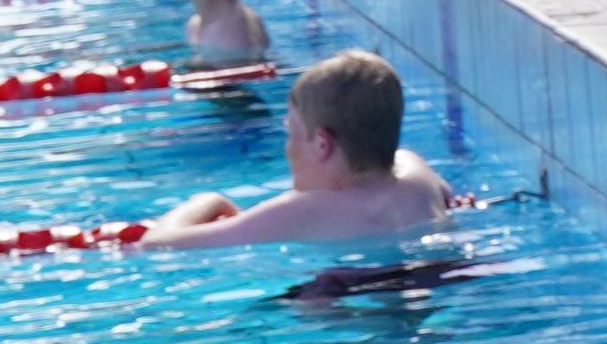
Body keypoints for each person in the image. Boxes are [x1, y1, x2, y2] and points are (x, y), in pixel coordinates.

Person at [143, 47, 453, 245]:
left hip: (350, 297)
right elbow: (442, 191)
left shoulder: (304, 211)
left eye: (291, 133)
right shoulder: (418, 174)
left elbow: (158, 243)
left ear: (322, 144)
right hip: (437, 277)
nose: (287, 148)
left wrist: (208, 200)